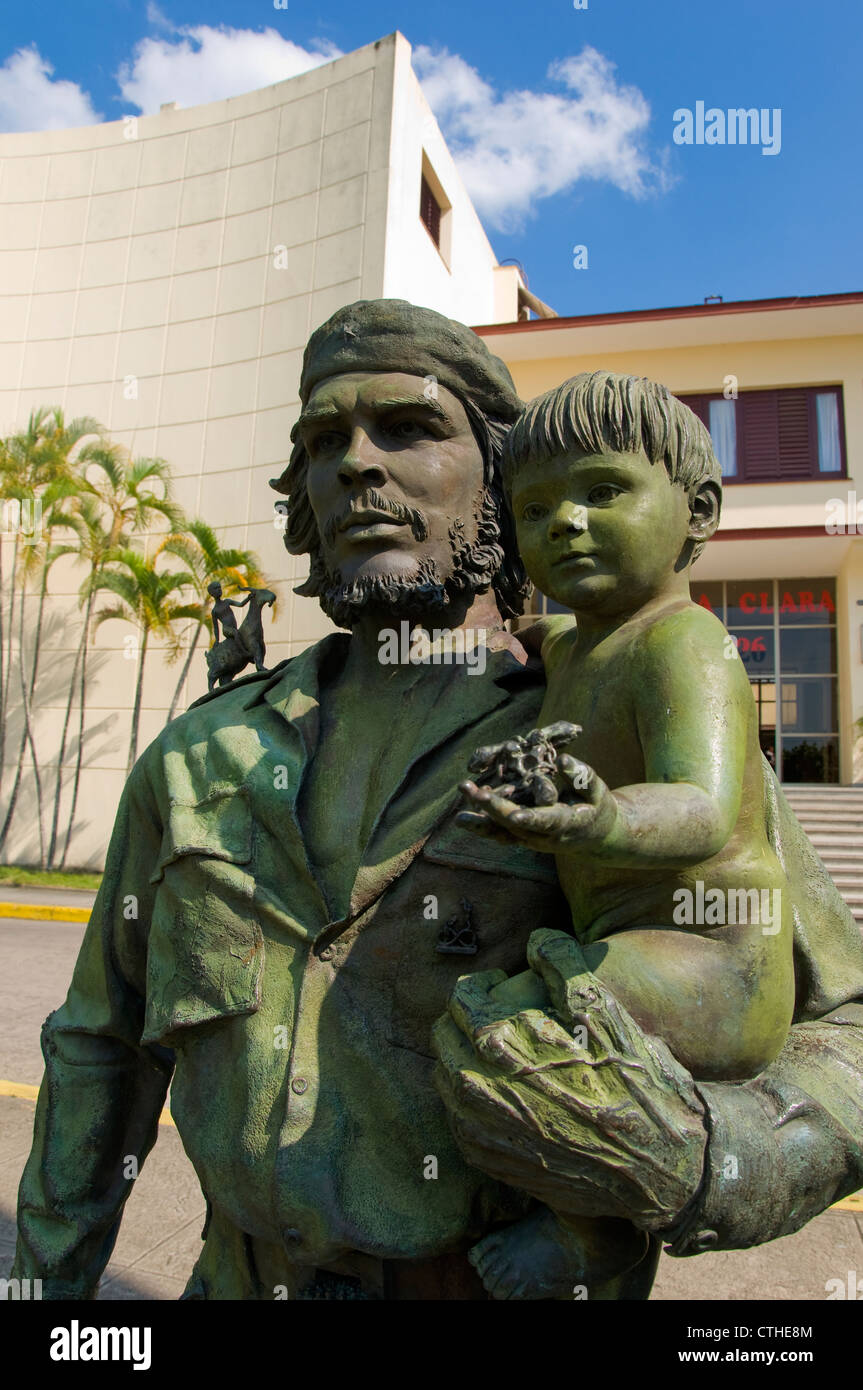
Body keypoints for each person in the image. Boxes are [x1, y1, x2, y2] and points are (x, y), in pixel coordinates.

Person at [12, 301, 863, 1301]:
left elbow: (843, 1033)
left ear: (497, 477)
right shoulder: (200, 756)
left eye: (408, 429)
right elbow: (100, 1053)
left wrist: (698, 1156)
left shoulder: (618, 718)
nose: (356, 464)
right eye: (325, 439)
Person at [455, 370, 796, 1295]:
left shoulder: (684, 644)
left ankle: (593, 1229)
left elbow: (700, 809)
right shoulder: (570, 648)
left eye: (601, 491)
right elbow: (528, 635)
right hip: (630, 948)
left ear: (697, 512)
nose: (563, 522)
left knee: (525, 1018)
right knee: (495, 1020)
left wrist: (602, 817)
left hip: (716, 965)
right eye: (534, 510)